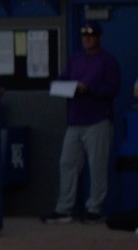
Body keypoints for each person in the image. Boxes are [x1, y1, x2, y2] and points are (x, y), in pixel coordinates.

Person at [42, 21, 122, 224]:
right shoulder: (75, 60)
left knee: (97, 166)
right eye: (84, 36)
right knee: (67, 163)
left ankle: (94, 209)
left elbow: (113, 89)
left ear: (99, 38)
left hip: (98, 120)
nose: (87, 39)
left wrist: (90, 89)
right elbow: (63, 79)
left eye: (91, 35)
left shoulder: (107, 61)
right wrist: (58, 84)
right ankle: (64, 209)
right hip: (75, 120)